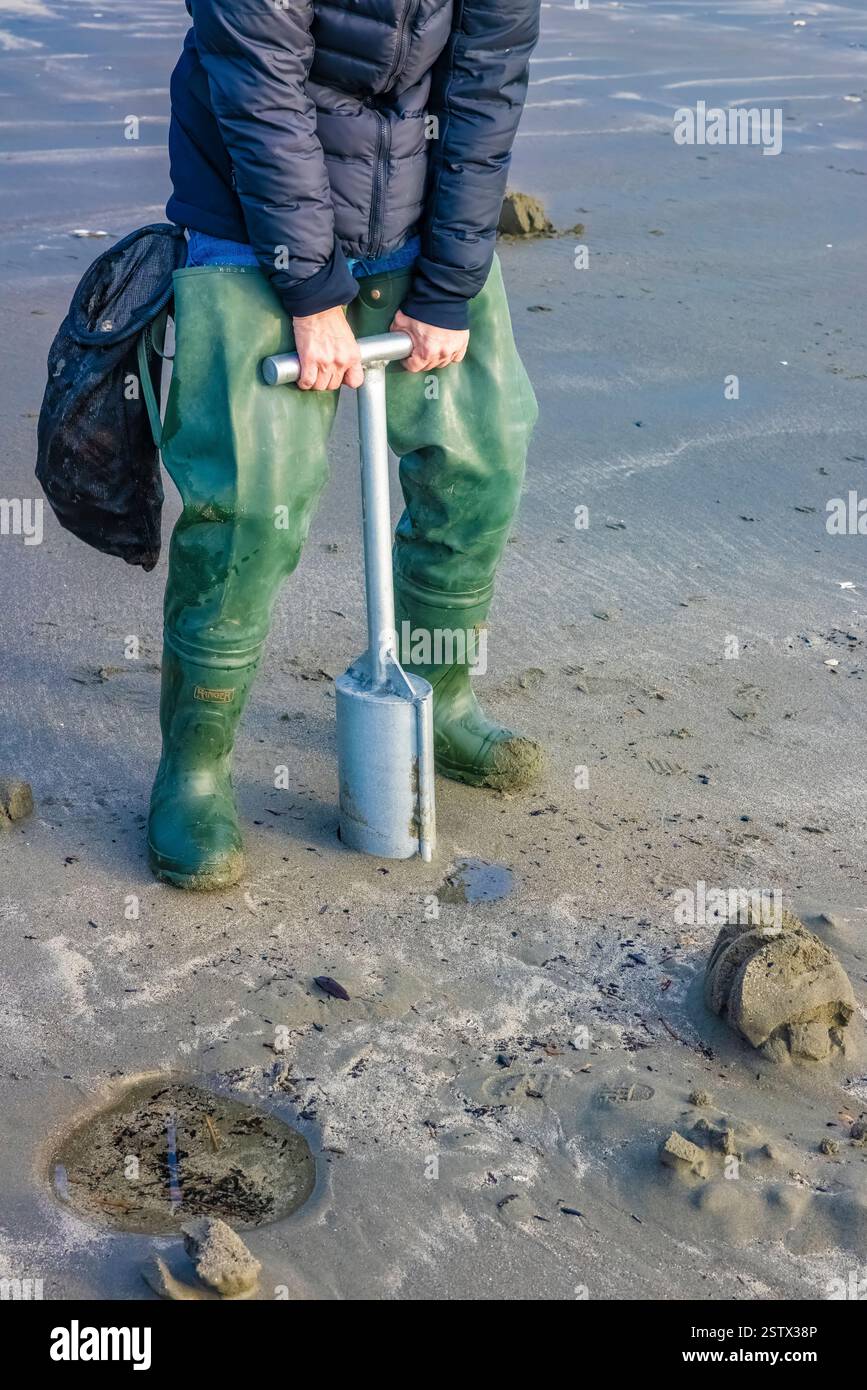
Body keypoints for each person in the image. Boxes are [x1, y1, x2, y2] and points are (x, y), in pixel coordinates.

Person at [149, 0, 543, 889]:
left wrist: (448, 285)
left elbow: (486, 84)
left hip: (415, 217)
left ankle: (440, 700)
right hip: (249, 220)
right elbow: (259, 88)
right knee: (251, 505)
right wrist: (310, 292)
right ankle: (195, 769)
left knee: (483, 458)